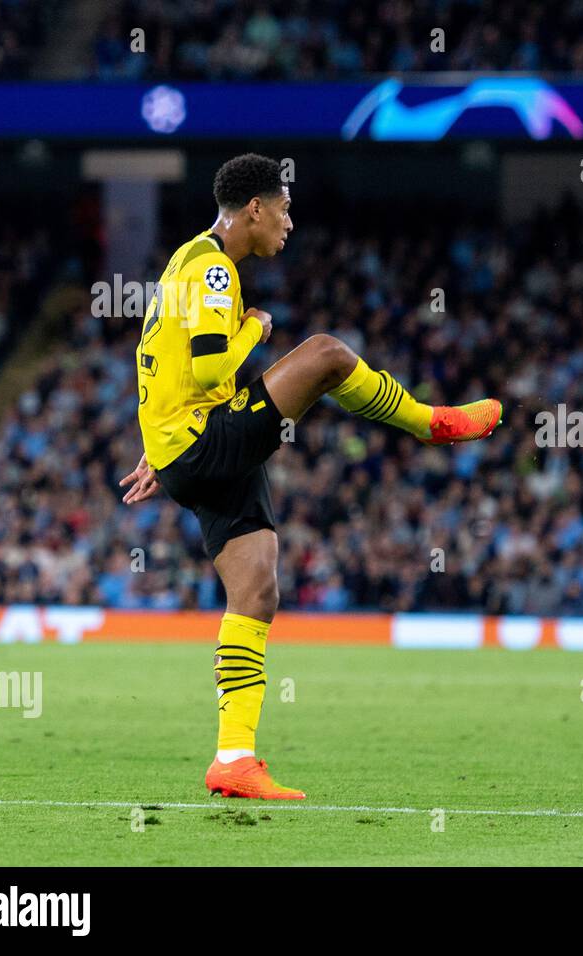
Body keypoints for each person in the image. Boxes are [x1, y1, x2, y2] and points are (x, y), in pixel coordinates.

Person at [119, 154, 502, 799]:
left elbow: (154, 358)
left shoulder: (187, 258)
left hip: (187, 446)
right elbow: (213, 371)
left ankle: (233, 761)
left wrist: (160, 449)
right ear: (255, 210)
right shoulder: (213, 269)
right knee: (324, 353)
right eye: (286, 210)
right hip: (202, 440)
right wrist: (254, 330)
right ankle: (429, 423)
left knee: (256, 592)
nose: (291, 224)